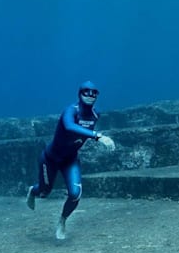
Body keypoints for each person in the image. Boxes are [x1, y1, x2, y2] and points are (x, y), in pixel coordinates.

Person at [26, 81, 116, 240]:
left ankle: (62, 221)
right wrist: (98, 136)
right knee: (44, 192)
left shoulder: (96, 114)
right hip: (51, 159)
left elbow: (83, 131)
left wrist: (94, 135)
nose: (90, 95)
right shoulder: (71, 111)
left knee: (75, 194)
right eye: (86, 92)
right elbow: (69, 126)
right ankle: (32, 190)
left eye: (94, 92)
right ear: (79, 94)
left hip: (71, 159)